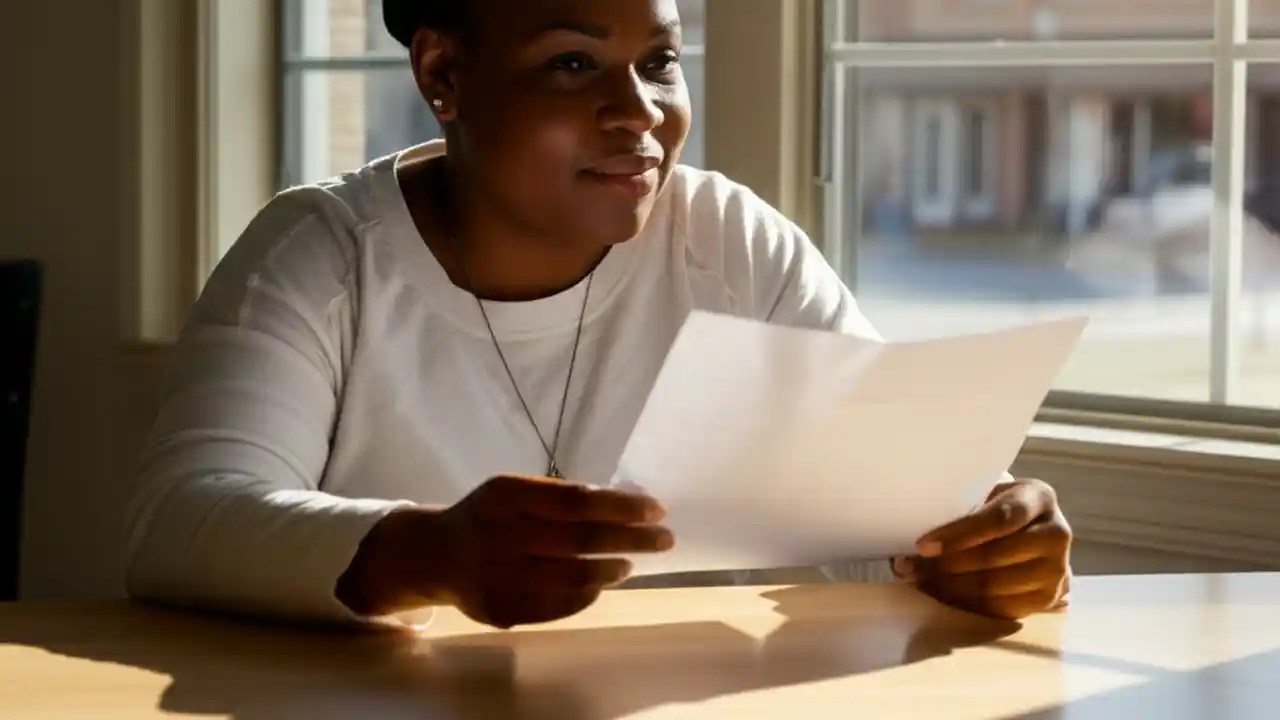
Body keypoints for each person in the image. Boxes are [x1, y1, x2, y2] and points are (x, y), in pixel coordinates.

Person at [125, 0, 1072, 629]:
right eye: (574, 63)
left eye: (659, 61)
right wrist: (430, 556)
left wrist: (989, 539)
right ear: (443, 73)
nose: (639, 112)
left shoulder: (729, 239)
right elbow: (178, 525)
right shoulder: (320, 252)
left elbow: (890, 503)